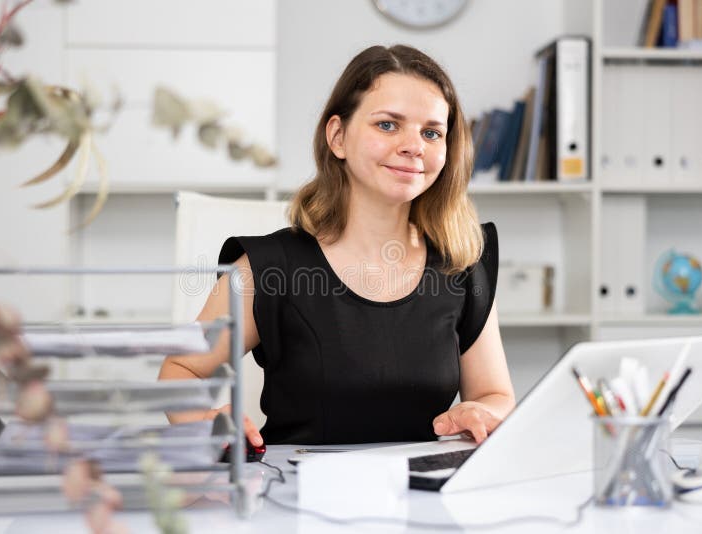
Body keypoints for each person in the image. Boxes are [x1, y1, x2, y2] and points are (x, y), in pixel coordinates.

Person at [159, 44, 515, 447]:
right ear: (338, 136)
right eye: (387, 125)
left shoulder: (464, 261)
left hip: (423, 498)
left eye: (431, 132)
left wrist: (483, 412)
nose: (414, 145)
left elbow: (495, 395)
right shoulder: (267, 268)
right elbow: (179, 371)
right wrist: (204, 420)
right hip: (293, 500)